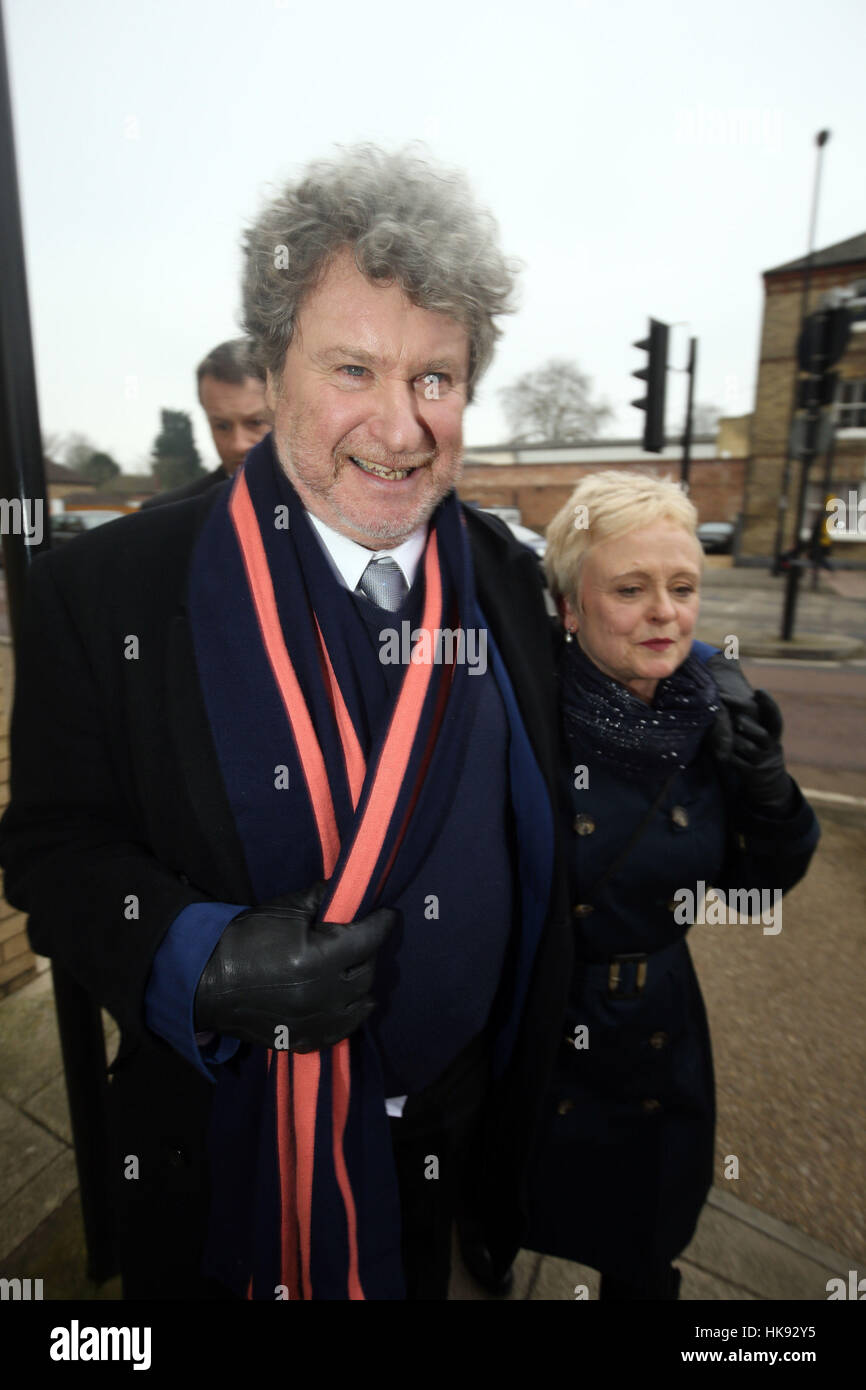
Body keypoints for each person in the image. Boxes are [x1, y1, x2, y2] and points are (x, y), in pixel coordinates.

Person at [0, 145, 571, 1301]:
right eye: (353, 367)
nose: (402, 428)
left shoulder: (513, 581)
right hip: (225, 1167)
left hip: (465, 1163)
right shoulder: (105, 593)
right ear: (276, 366)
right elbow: (52, 851)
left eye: (436, 378)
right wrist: (188, 957)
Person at [515, 470, 820, 1300]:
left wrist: (770, 795)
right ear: (571, 609)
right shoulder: (519, 716)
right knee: (504, 1207)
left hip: (658, 1021)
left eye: (682, 587)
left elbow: (759, 888)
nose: (665, 612)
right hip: (540, 1017)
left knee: (645, 1240)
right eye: (631, 588)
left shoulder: (718, 711)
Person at [142, 338, 272, 509]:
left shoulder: (317, 508)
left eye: (255, 423)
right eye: (222, 426)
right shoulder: (163, 519)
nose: (237, 445)